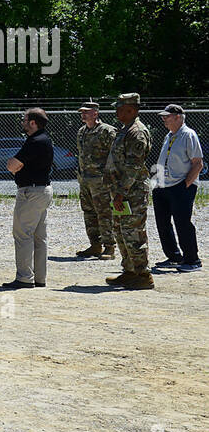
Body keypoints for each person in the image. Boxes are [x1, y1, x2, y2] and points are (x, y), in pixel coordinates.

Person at [104, 93, 154, 290]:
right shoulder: (125, 130)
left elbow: (134, 166)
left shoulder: (137, 132)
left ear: (131, 110)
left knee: (134, 233)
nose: (117, 112)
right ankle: (130, 271)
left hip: (132, 193)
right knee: (120, 231)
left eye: (120, 109)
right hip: (121, 192)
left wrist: (121, 193)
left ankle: (143, 275)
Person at [3, 108, 54, 289]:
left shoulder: (34, 141)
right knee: (39, 237)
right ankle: (39, 278)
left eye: (24, 120)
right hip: (43, 190)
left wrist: (15, 166)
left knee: (23, 235)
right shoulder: (45, 139)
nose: (22, 123)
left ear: (33, 123)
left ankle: (24, 278)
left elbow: (12, 165)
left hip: (30, 192)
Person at [152, 104, 203, 272]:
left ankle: (192, 260)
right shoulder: (169, 135)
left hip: (180, 186)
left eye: (167, 116)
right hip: (163, 186)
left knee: (182, 223)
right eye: (163, 116)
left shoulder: (188, 135)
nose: (164, 119)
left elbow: (198, 163)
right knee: (162, 224)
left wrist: (185, 185)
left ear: (178, 117)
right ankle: (174, 257)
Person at [74, 101, 117, 260]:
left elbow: (115, 155)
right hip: (85, 179)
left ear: (95, 113)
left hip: (101, 181)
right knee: (89, 212)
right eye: (82, 112)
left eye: (87, 112)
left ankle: (109, 247)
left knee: (104, 213)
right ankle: (95, 245)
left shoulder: (107, 131)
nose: (83, 114)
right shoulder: (82, 131)